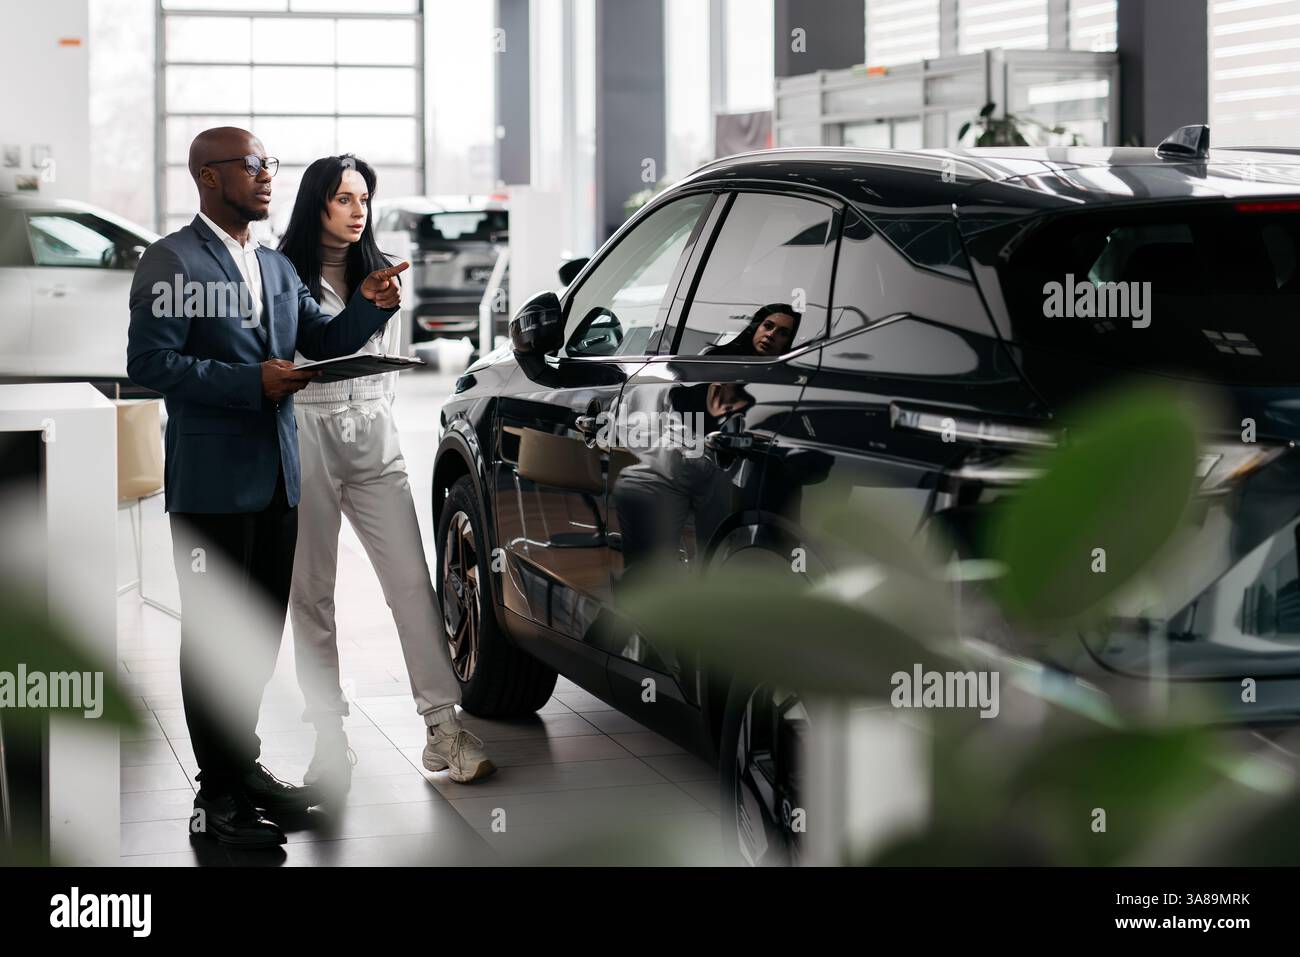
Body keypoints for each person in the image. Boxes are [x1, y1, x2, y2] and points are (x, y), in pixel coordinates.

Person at [126, 127, 408, 849]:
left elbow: (320, 337)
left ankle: (241, 771)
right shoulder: (172, 259)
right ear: (208, 176)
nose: (266, 176)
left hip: (282, 481)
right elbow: (152, 364)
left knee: (254, 637)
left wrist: (371, 306)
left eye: (269, 164)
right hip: (212, 485)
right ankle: (218, 798)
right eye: (252, 165)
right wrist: (250, 382)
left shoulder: (278, 268)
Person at [279, 154, 494, 795]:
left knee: (409, 584)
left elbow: (381, 365)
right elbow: (309, 347)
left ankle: (441, 728)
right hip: (306, 430)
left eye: (364, 199)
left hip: (372, 434)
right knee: (311, 593)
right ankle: (327, 738)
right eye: (344, 199)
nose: (357, 211)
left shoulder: (383, 271)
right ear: (315, 202)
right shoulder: (281, 272)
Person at [702, 303, 801, 358]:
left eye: (783, 333)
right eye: (768, 326)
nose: (770, 335)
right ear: (756, 327)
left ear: (790, 341)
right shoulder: (718, 358)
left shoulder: (783, 380)